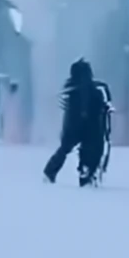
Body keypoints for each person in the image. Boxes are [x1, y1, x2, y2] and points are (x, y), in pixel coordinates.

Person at [43, 58, 112, 187]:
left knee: (67, 149)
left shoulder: (74, 89)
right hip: (87, 127)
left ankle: (52, 172)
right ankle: (85, 174)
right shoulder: (90, 90)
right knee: (87, 149)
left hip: (75, 125)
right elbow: (95, 107)